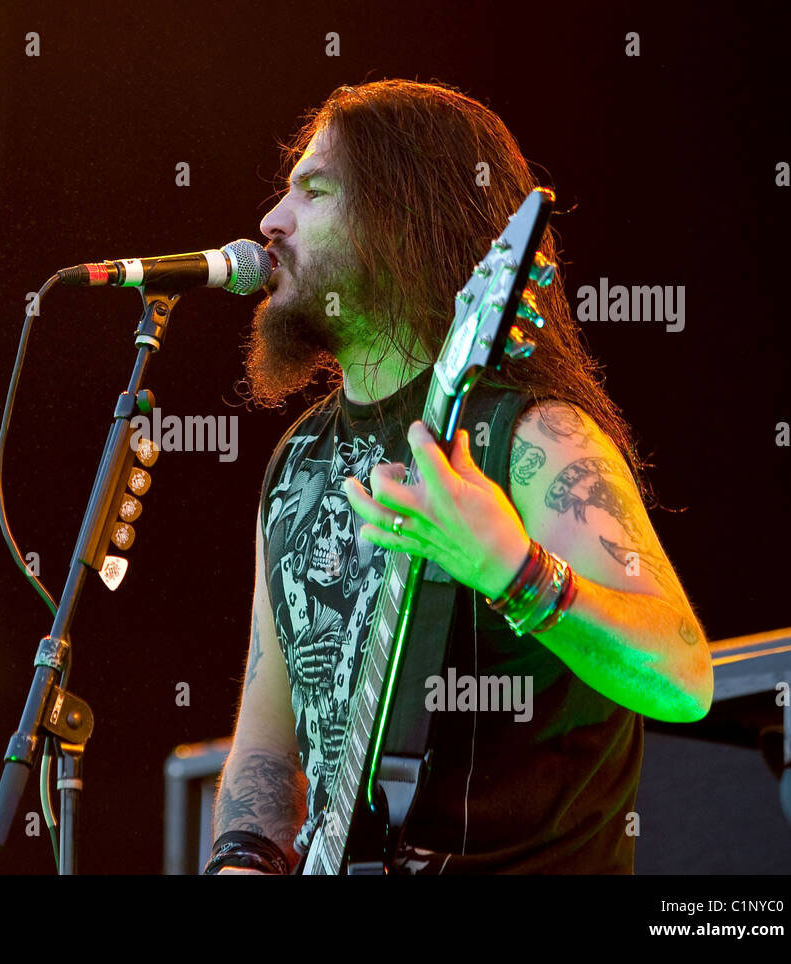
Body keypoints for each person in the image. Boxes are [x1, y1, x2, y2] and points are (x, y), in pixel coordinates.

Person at [206, 80, 713, 875]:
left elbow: (681, 674)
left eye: (313, 189)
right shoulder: (297, 465)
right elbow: (269, 745)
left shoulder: (532, 439)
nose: (271, 221)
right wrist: (239, 861)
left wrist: (515, 572)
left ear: (402, 218)